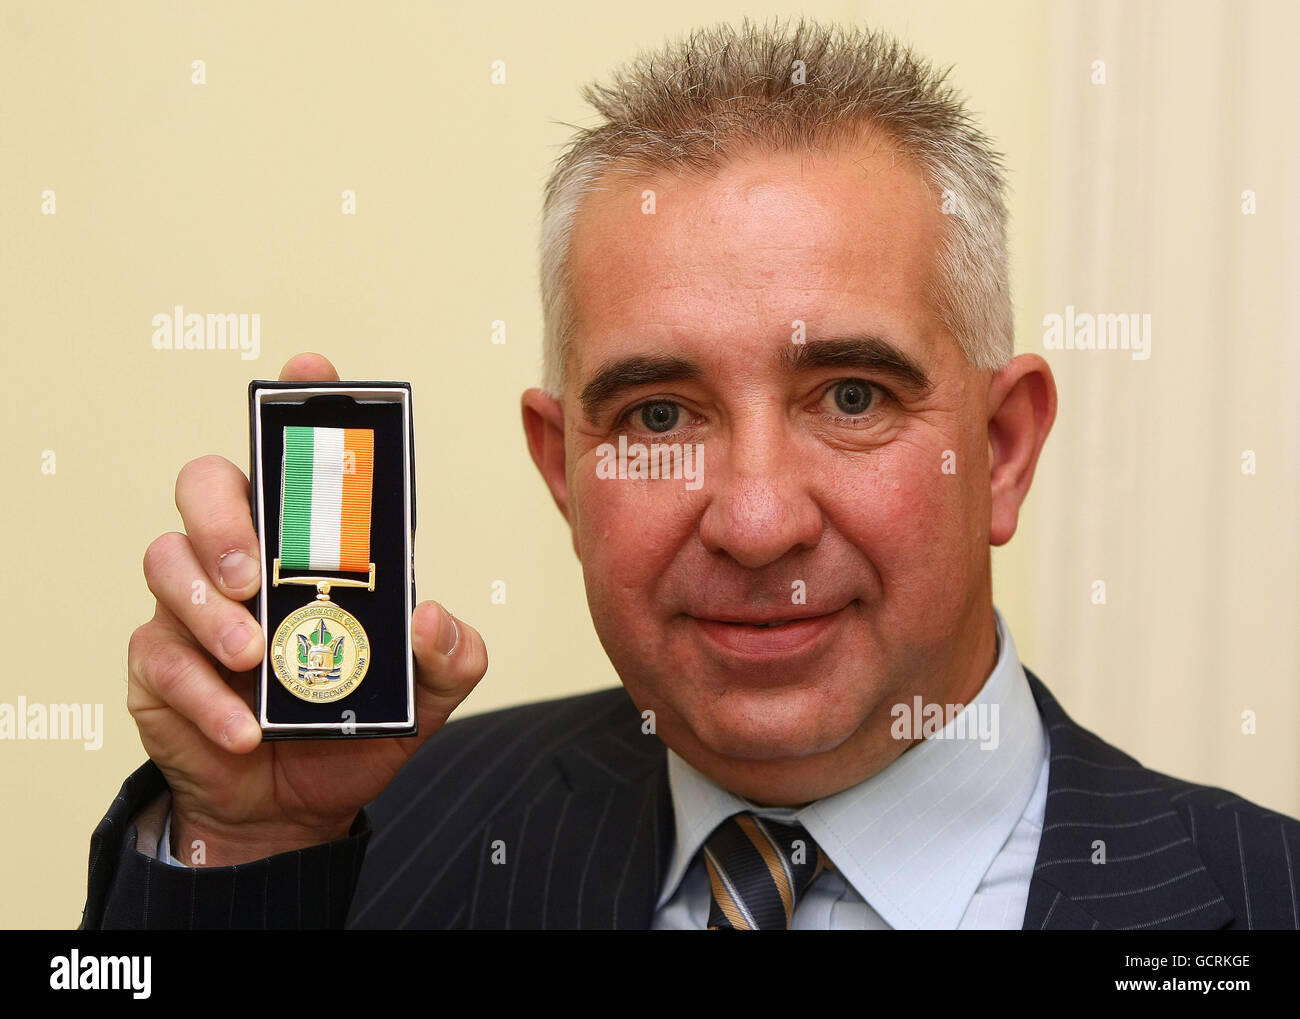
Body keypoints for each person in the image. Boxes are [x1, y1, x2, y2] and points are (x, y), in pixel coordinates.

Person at [81, 17, 1300, 930]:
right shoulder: (394, 834)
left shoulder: (1258, 904)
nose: (758, 519)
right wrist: (253, 842)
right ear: (564, 470)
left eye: (852, 397)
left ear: (998, 448)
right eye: (659, 411)